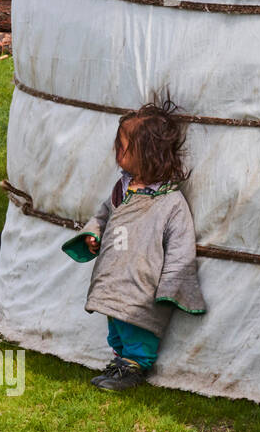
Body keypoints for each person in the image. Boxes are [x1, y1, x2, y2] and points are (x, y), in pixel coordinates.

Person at [62, 99, 206, 391]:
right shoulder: (122, 189)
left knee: (135, 323)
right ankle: (118, 363)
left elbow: (180, 248)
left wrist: (173, 286)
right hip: (115, 273)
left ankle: (133, 368)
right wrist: (94, 234)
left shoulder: (170, 203)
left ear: (146, 153)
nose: (116, 151)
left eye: (122, 146)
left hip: (142, 280)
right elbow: (104, 213)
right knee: (115, 320)